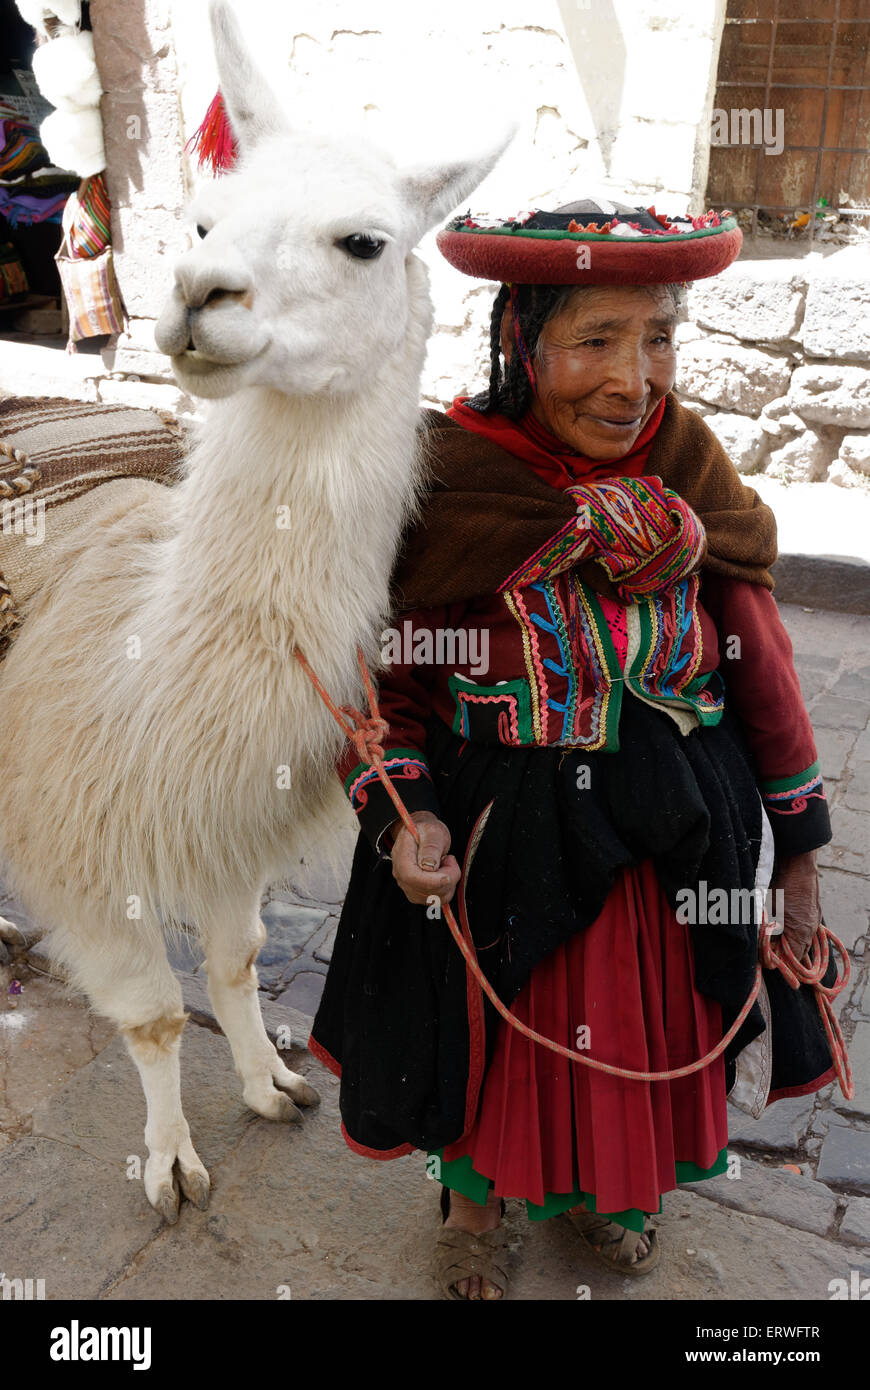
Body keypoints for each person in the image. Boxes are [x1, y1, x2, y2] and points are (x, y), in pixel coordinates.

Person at [309, 199, 836, 1300]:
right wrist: (409, 814)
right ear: (520, 345)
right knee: (490, 1044)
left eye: (655, 339)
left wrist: (797, 856)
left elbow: (762, 666)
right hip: (504, 834)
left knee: (649, 1030)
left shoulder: (692, 465)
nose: (632, 377)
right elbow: (390, 678)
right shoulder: (452, 479)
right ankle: (471, 1207)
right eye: (595, 339)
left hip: (671, 840)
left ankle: (616, 1189)